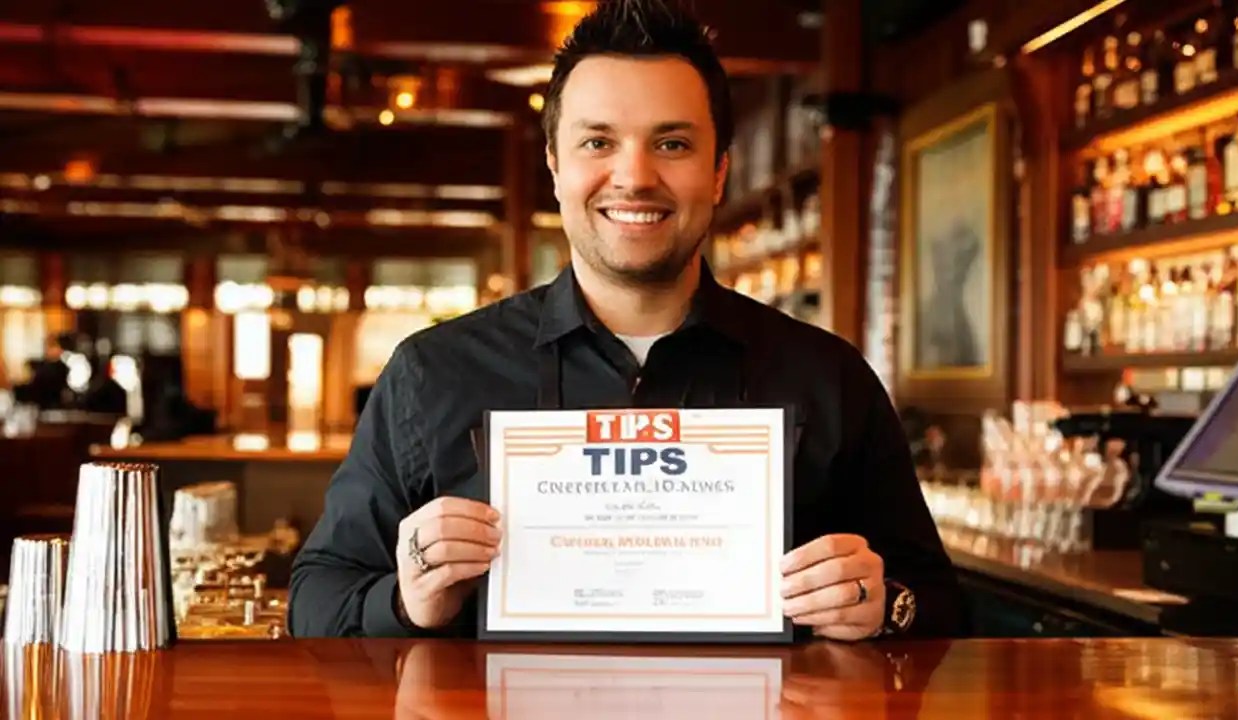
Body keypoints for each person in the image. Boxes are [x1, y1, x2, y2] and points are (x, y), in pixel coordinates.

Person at [289, 0, 966, 641]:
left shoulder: (827, 376)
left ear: (720, 171)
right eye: (597, 143)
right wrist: (410, 599)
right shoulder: (433, 372)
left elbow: (941, 604)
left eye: (671, 144)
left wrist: (885, 605)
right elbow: (315, 601)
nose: (634, 176)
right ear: (555, 166)